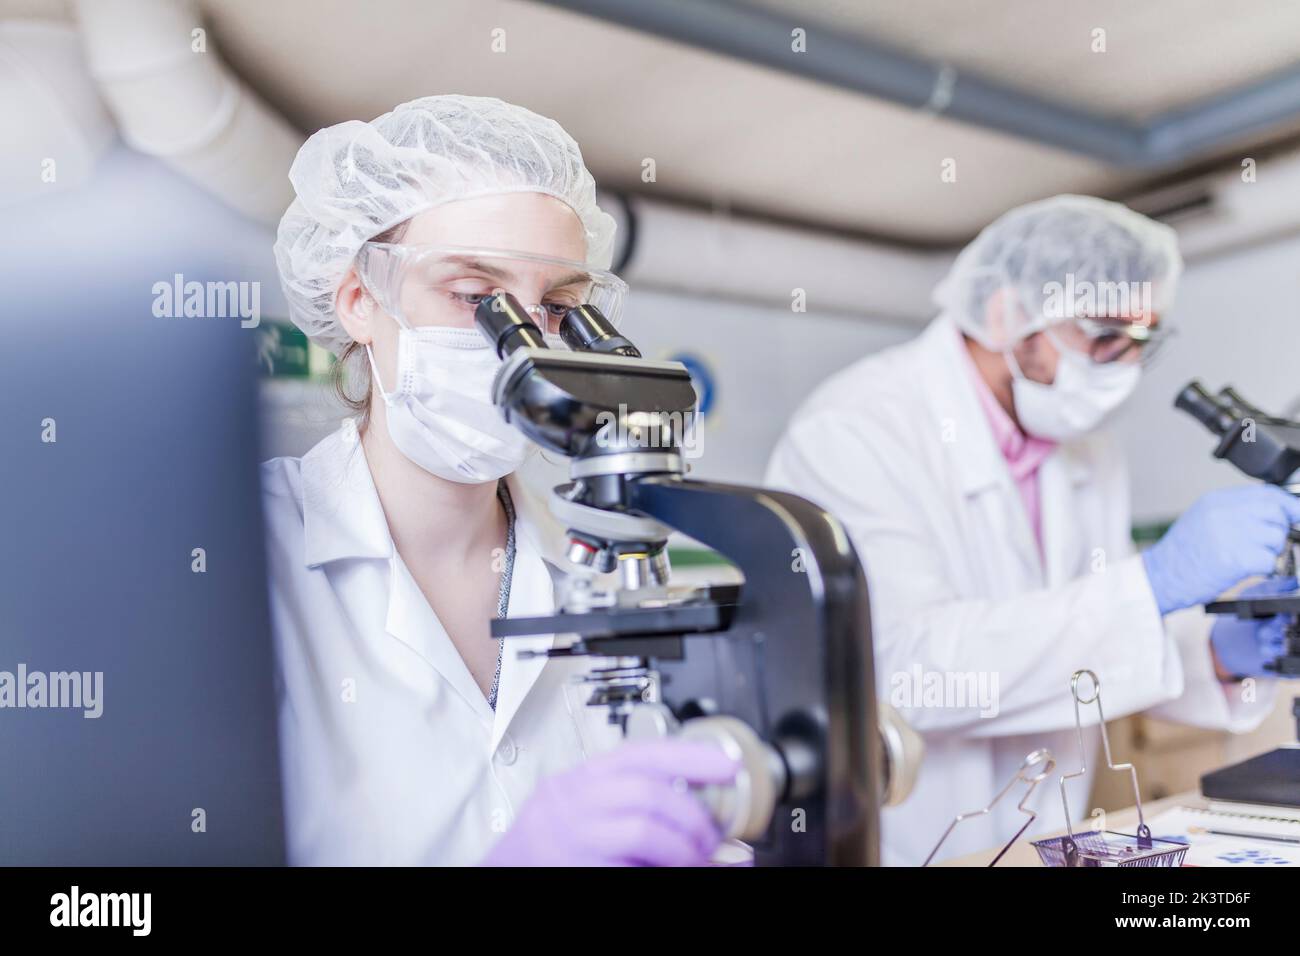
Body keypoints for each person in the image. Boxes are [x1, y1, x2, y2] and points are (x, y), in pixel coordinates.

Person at [266, 94, 737, 866]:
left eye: (556, 308)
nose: (520, 346)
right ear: (359, 299)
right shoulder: (244, 556)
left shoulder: (611, 561)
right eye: (476, 297)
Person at [765, 195, 1300, 865]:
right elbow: (906, 669)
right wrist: (1154, 582)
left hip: (1045, 839)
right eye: (1103, 335)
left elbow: (1089, 645)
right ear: (1006, 313)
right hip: (913, 843)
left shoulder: (1085, 446)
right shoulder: (855, 431)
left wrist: (1221, 652)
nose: (1121, 367)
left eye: (1141, 341)